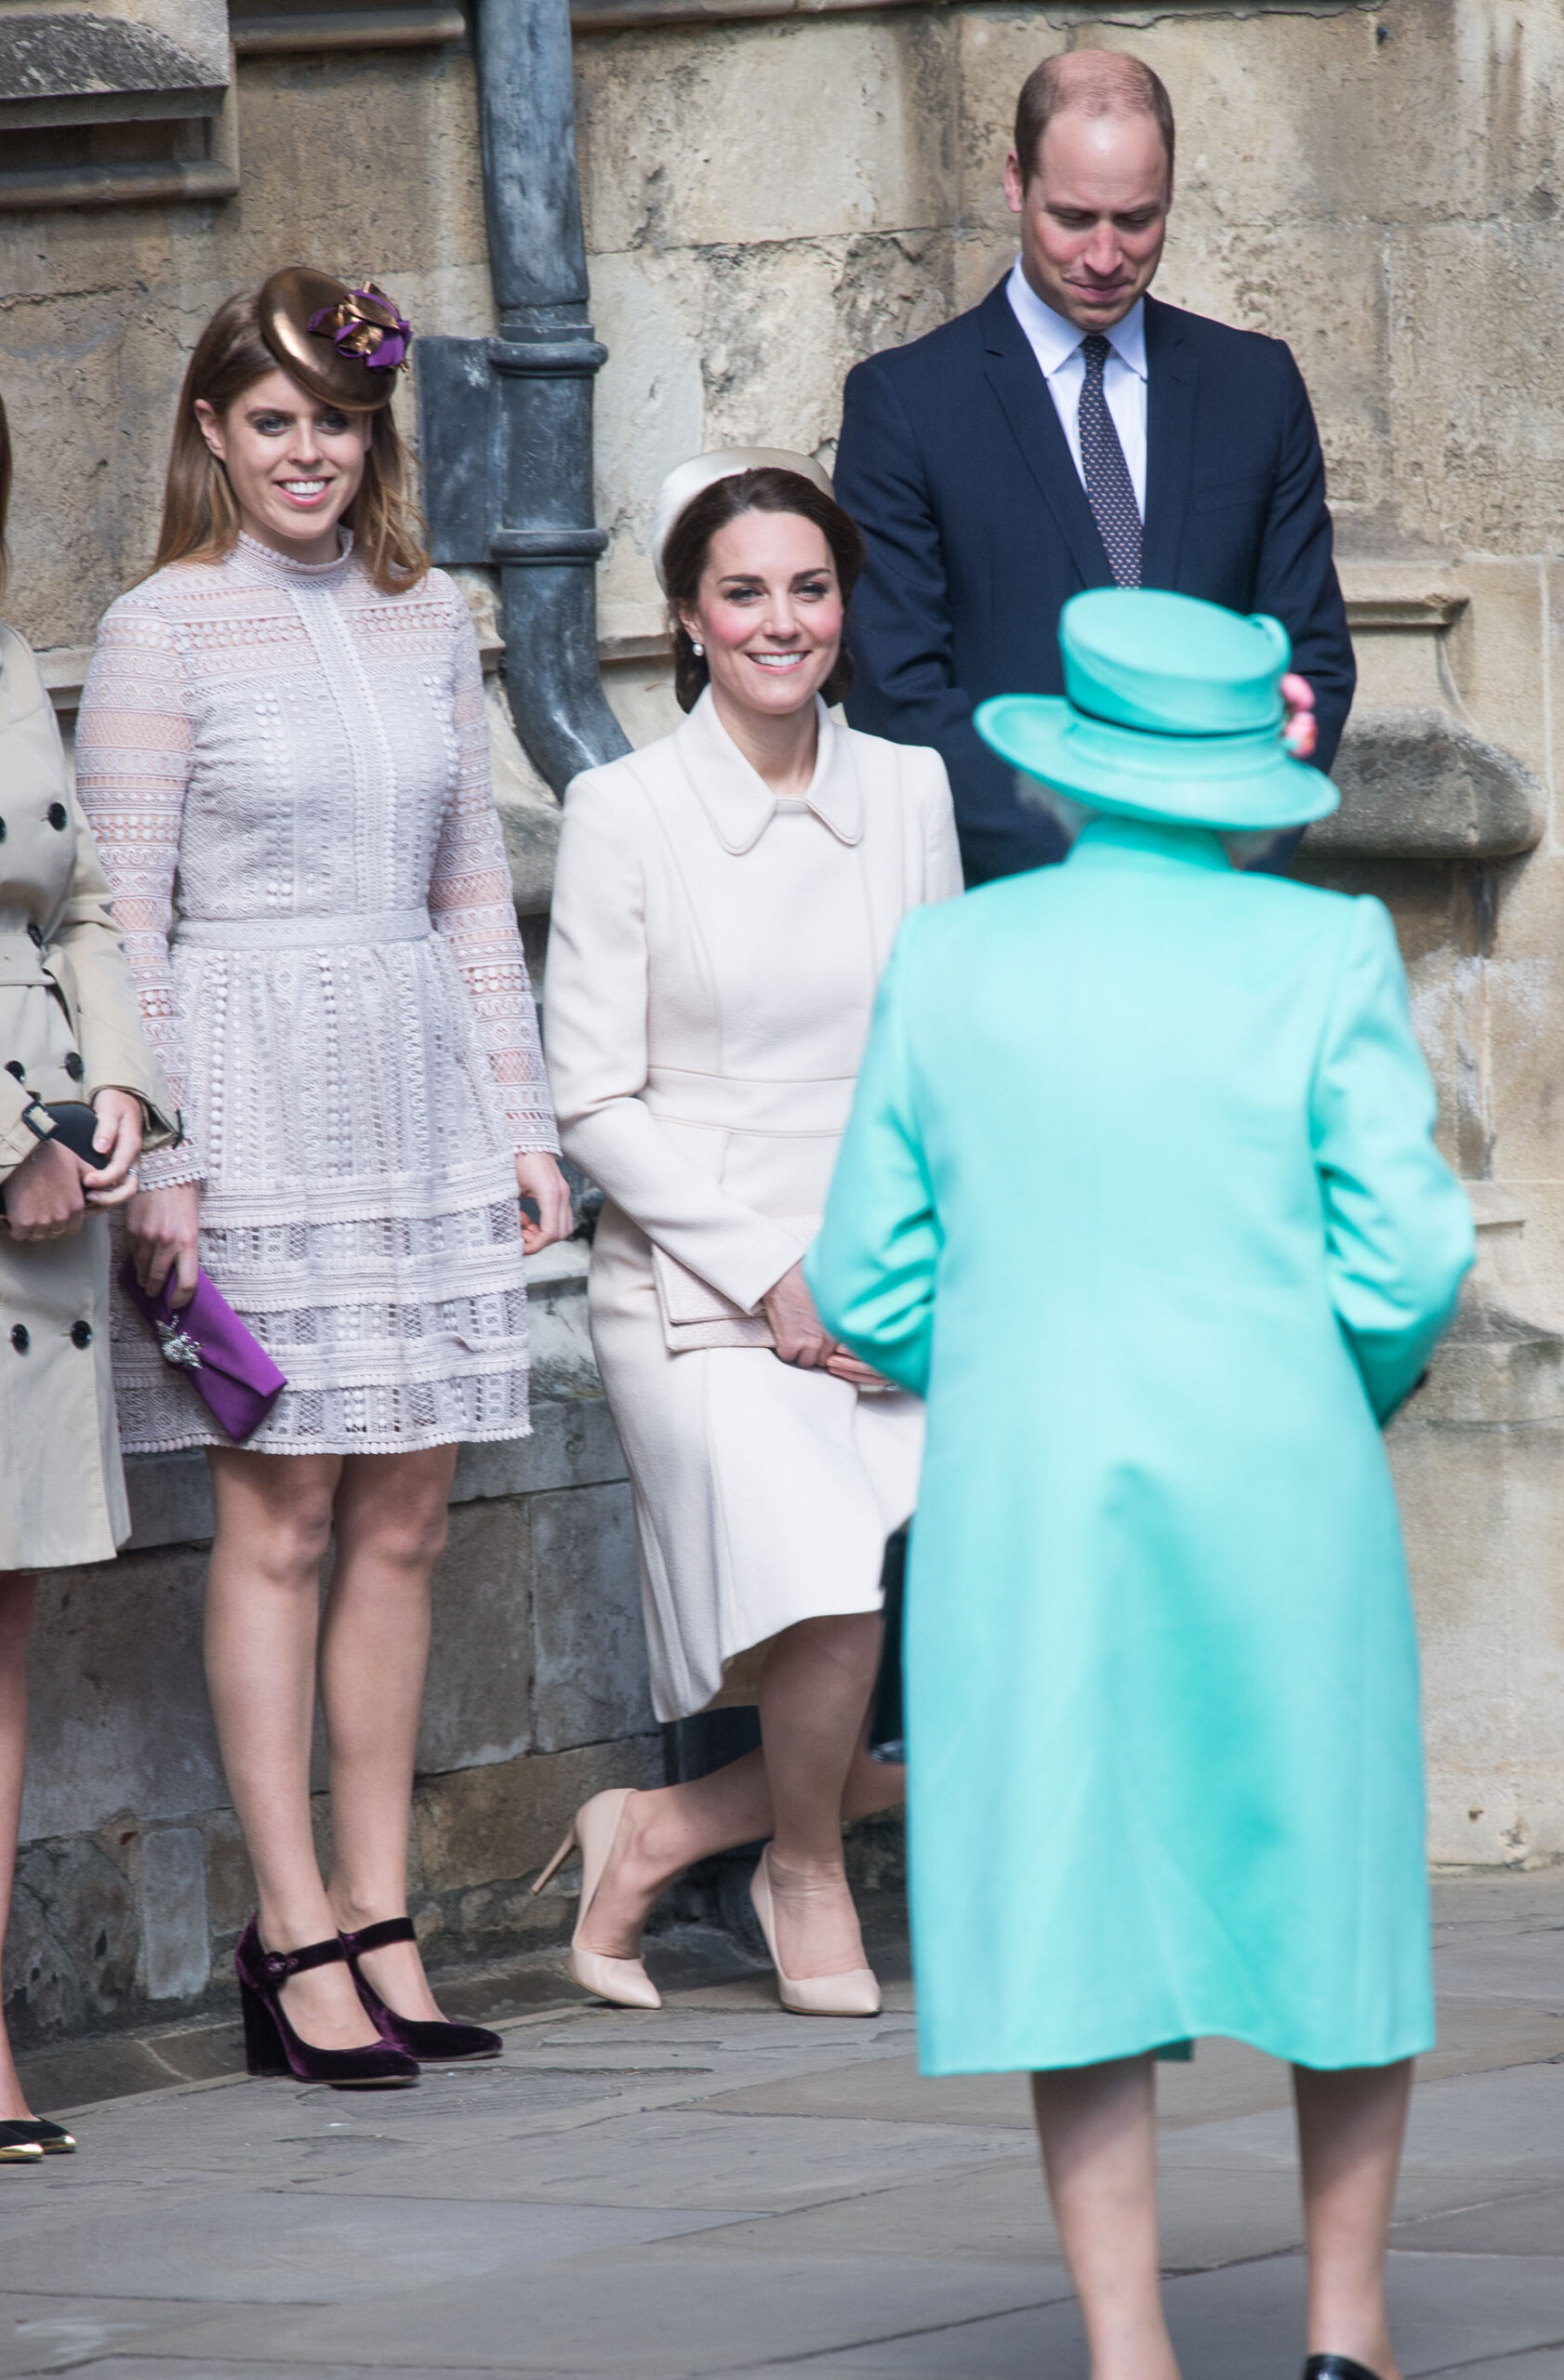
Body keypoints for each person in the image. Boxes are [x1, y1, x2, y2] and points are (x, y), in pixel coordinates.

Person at [808, 588, 1475, 2380]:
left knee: (1066, 1898)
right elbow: (1406, 1257)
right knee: (1324, 1878)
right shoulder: (1323, 953)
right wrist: (1314, 1384)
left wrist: (1021, 1367)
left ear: (1069, 773)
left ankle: (1125, 2353)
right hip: (1279, 1477)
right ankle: (1345, 2335)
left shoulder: (950, 963)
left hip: (1031, 1499)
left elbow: (864, 1272)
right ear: (1237, 781)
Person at [75, 271, 571, 2089]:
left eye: (336, 420)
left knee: (407, 1510)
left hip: (417, 1083)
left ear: (374, 438)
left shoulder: (426, 610)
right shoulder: (162, 627)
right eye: (271, 417)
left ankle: (382, 1910)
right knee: (278, 1508)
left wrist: (521, 1124)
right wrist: (164, 1157)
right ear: (213, 428)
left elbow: (465, 891)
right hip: (253, 1085)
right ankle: (286, 1927)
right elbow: (122, 910)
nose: (306, 450)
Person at [539, 453, 961, 2015]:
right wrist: (773, 1274)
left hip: (878, 1267)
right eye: (742, 593)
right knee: (834, 1582)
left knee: (1009, 1624)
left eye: (807, 588)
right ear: (686, 619)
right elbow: (591, 1097)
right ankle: (796, 1870)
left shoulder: (907, 791)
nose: (779, 621)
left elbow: (935, 1055)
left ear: (841, 609)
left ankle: (654, 1835)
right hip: (694, 1286)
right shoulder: (622, 810)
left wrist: (884, 1268)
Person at [834, 48, 1352, 887]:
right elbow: (899, 693)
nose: (1105, 257)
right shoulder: (906, 404)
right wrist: (1100, 868)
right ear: (1015, 182)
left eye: (1135, 219)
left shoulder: (1255, 388)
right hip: (1008, 904)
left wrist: (1212, 848)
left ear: (1171, 192)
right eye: (1073, 218)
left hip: (1218, 897)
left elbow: (1308, 659)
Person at [0, 392, 178, 2159]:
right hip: (10, 1183)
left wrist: (116, 1085)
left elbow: (81, 900)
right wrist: (16, 1139)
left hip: (51, 1203)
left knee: (7, 1637)